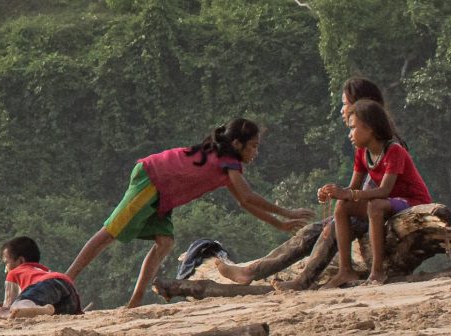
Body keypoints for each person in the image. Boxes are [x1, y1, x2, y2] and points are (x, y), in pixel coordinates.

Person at [64, 119, 306, 307]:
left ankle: (134, 302)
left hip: (164, 192)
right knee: (110, 232)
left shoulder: (227, 165)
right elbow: (249, 197)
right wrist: (286, 213)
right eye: (253, 146)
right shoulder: (227, 160)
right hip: (153, 177)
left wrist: (280, 224)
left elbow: (244, 202)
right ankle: (66, 280)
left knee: (164, 242)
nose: (255, 152)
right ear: (236, 144)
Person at [318, 99, 432, 287]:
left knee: (375, 206)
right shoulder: (361, 153)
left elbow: (384, 190)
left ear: (369, 128)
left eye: (352, 128)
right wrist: (333, 192)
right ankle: (345, 270)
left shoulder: (394, 150)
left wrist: (348, 194)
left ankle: (377, 272)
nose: (350, 134)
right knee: (342, 206)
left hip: (413, 202)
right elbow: (352, 188)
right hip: (389, 202)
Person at [0, 235, 83, 320]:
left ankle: (34, 309)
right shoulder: (44, 271)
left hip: (46, 284)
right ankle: (42, 310)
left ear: (21, 261)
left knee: (15, 307)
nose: (6, 269)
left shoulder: (14, 273)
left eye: (6, 263)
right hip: (68, 287)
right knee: (55, 310)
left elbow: (8, 306)